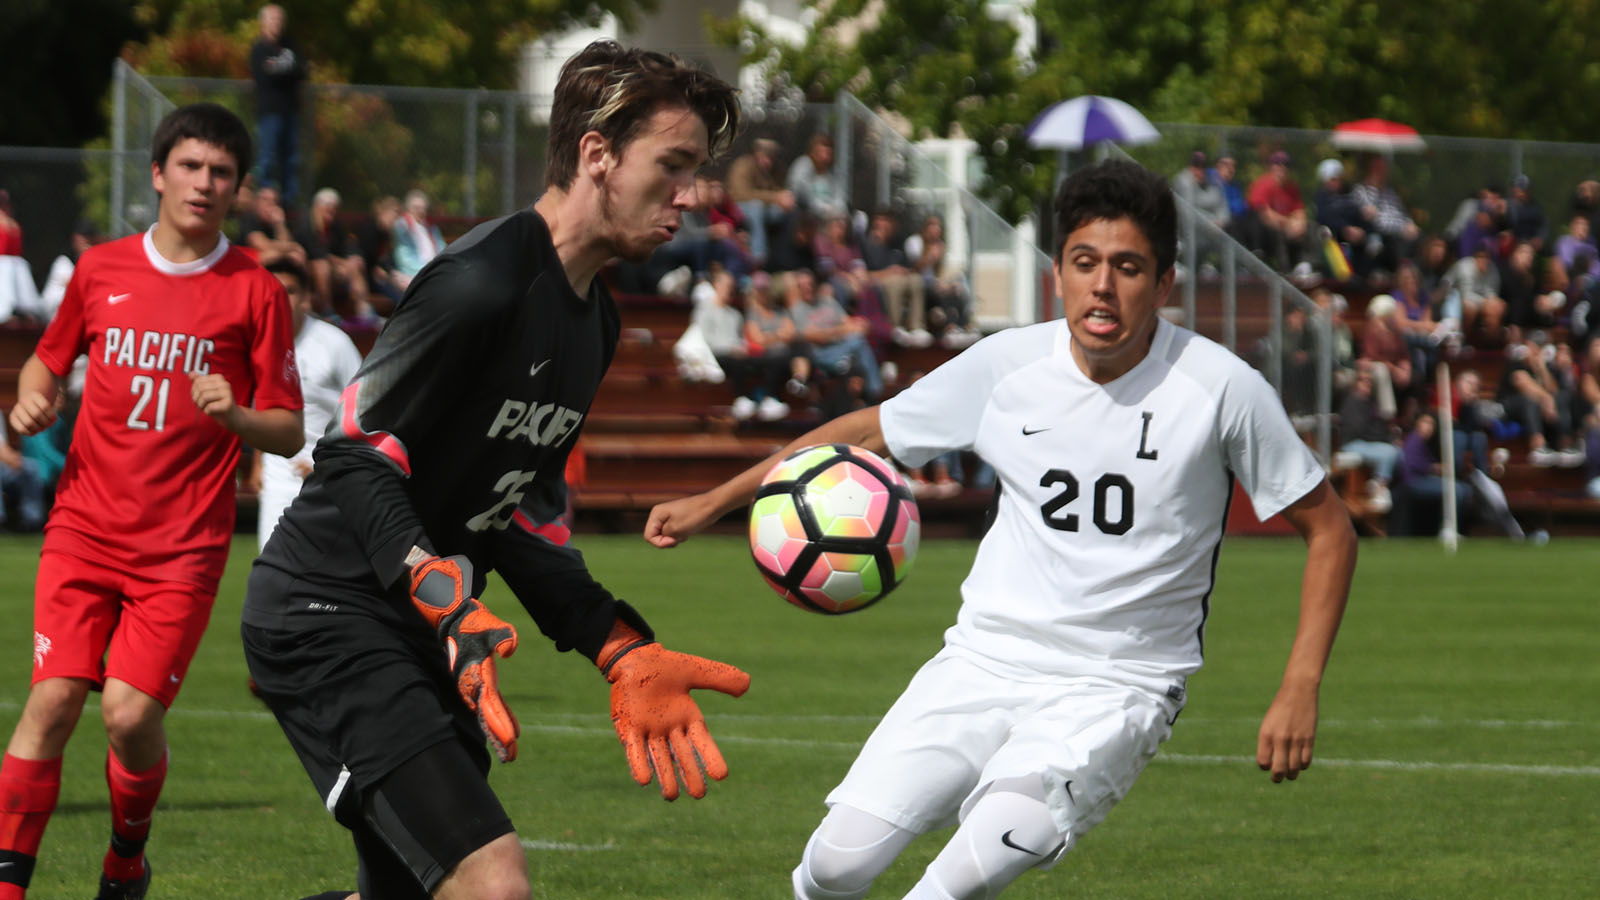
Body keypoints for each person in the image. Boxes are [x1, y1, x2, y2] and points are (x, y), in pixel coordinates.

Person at [644, 159, 1357, 900]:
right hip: (981, 662)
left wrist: (1299, 687)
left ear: (1165, 284)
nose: (1103, 286)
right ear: (1059, 275)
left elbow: (1331, 532)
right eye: (1085, 263)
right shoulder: (1008, 366)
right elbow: (865, 433)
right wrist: (717, 502)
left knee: (947, 889)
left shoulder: (1222, 389)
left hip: (1116, 687)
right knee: (835, 868)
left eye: (1128, 267)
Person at [239, 41, 752, 900]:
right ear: (597, 154)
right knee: (491, 883)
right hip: (329, 607)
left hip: (420, 626)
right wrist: (442, 596)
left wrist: (619, 645)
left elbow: (519, 520)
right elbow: (358, 456)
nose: (690, 197)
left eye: (695, 172)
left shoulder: (597, 324)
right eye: (673, 165)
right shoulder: (478, 281)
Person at [0, 102, 304, 900]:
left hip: (181, 549)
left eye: (222, 174)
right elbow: (44, 363)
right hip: (82, 531)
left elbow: (287, 427)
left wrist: (236, 416)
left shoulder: (255, 293)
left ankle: (126, 856)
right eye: (192, 167)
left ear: (237, 190)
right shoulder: (100, 270)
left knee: (130, 718)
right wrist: (27, 401)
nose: (205, 184)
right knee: (52, 701)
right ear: (160, 173)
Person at [247, 258, 363, 549]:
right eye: (273, 290)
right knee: (271, 574)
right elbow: (266, 409)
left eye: (290, 290)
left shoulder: (334, 343)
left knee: (328, 580)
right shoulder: (253, 343)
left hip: (330, 479)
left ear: (307, 298)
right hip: (279, 478)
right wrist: (259, 464)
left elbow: (366, 411)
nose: (281, 298)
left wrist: (331, 464)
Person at [250, 3, 307, 205]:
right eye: (272, 20)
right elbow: (263, 77)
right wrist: (286, 72)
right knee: (267, 157)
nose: (276, 24)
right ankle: (265, 198)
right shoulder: (259, 49)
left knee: (291, 159)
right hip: (269, 112)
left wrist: (277, 70)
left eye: (279, 20)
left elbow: (302, 71)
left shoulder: (291, 46)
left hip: (290, 111)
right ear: (263, 23)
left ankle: (288, 200)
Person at [726, 137, 795, 266]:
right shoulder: (743, 165)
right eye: (765, 157)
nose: (768, 161)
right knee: (756, 207)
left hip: (765, 209)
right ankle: (758, 256)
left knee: (785, 212)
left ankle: (786, 256)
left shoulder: (776, 170)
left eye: (771, 158)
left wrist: (785, 199)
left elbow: (780, 191)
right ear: (756, 154)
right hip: (739, 206)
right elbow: (741, 194)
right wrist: (776, 197)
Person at [1246, 150, 1308, 272]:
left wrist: (1299, 224)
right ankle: (1284, 270)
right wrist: (1288, 224)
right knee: (1278, 235)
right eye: (1278, 164)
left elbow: (1299, 211)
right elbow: (1264, 214)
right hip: (1266, 229)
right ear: (1271, 167)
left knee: (1311, 229)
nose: (1282, 168)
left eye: (1285, 165)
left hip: (1286, 226)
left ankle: (1305, 266)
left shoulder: (1292, 187)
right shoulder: (1262, 184)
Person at [36, 221, 99, 324]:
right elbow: (75, 286)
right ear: (75, 239)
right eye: (84, 238)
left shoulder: (90, 260)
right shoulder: (63, 262)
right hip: (53, 315)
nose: (87, 243)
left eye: (90, 239)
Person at [786, 132, 847, 221]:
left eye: (828, 153)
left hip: (831, 215)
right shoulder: (803, 165)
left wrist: (837, 210)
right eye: (821, 152)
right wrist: (824, 209)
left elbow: (840, 197)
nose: (824, 157)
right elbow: (802, 194)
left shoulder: (834, 173)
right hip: (807, 211)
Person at [391, 188, 444, 287]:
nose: (421, 211)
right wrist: (429, 270)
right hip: (414, 274)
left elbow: (443, 249)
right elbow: (404, 260)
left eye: (423, 208)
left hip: (434, 272)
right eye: (416, 208)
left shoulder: (431, 228)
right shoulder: (402, 226)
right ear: (408, 209)